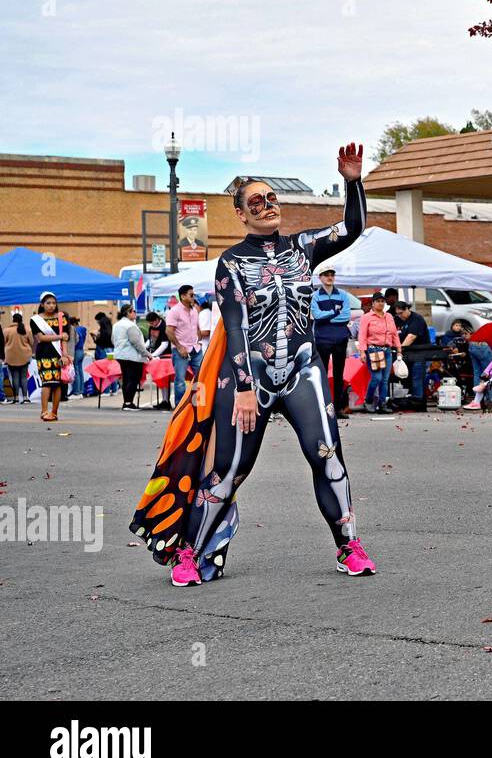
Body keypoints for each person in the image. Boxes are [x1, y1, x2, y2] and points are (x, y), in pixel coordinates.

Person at [129, 143, 375, 587]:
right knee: (229, 469)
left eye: (272, 199)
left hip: (303, 369)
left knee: (328, 456)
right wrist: (243, 386)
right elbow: (236, 324)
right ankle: (190, 552)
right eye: (256, 203)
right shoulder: (232, 263)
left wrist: (353, 181)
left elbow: (353, 227)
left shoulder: (304, 248)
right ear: (242, 214)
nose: (267, 207)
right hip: (252, 378)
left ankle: (349, 546)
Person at [311, 267, 354, 417]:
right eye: (326, 275)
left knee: (338, 374)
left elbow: (346, 316)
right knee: (321, 374)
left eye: (332, 275)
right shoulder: (315, 296)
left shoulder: (343, 295)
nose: (330, 277)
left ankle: (338, 408)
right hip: (323, 339)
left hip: (340, 339)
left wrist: (327, 317)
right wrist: (335, 312)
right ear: (320, 277)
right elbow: (316, 315)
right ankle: (322, 407)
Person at [29, 292, 70, 422]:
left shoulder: (62, 317)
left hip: (58, 354)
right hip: (44, 354)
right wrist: (59, 336)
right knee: (47, 383)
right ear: (42, 304)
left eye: (53, 303)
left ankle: (54, 412)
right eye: (48, 303)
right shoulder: (35, 319)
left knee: (57, 384)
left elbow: (66, 338)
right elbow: (41, 338)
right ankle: (44, 411)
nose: (51, 306)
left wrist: (65, 355)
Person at [165, 285, 206, 411]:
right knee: (180, 380)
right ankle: (180, 408)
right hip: (181, 349)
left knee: (201, 377)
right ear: (183, 296)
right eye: (191, 295)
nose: (194, 297)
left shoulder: (194, 310)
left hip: (195, 348)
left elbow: (197, 327)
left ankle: (199, 406)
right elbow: (169, 331)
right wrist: (179, 347)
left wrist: (197, 340)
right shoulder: (174, 311)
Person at [359, 292, 400, 414]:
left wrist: (399, 350)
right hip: (373, 350)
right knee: (377, 377)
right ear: (373, 303)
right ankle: (369, 400)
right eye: (378, 301)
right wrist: (362, 352)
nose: (380, 303)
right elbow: (362, 336)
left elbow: (394, 334)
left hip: (387, 350)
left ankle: (382, 404)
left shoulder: (389, 316)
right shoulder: (367, 317)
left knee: (385, 379)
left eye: (382, 301)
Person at [111, 304, 149, 410]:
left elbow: (113, 340)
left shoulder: (116, 325)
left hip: (120, 355)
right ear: (128, 313)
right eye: (134, 311)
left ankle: (126, 402)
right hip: (132, 356)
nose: (135, 313)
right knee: (133, 380)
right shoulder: (130, 325)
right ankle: (129, 403)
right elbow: (136, 343)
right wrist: (147, 354)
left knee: (126, 379)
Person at [394, 300, 432, 403]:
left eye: (401, 313)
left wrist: (399, 350)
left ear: (407, 309)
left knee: (417, 375)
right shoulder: (397, 320)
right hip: (407, 353)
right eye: (397, 314)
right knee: (405, 376)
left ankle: (418, 400)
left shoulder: (417, 319)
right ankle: (408, 398)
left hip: (421, 353)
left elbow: (411, 337)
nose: (399, 316)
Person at [3, 311, 33, 404]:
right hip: (25, 355)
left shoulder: (7, 330)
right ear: (21, 320)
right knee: (24, 377)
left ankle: (15, 398)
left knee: (15, 377)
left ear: (13, 320)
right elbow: (31, 342)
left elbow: (4, 342)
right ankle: (25, 397)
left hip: (11, 356)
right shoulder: (27, 329)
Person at [92, 310, 118, 396]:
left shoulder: (102, 331)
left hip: (104, 350)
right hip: (111, 350)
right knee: (111, 370)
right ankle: (114, 389)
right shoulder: (111, 328)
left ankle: (106, 390)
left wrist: (95, 337)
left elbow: (100, 343)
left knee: (104, 370)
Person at [67, 316, 86, 398]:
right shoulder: (83, 329)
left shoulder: (75, 330)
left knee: (76, 371)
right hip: (82, 350)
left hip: (76, 350)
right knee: (80, 371)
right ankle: (81, 390)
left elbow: (75, 341)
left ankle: (77, 392)